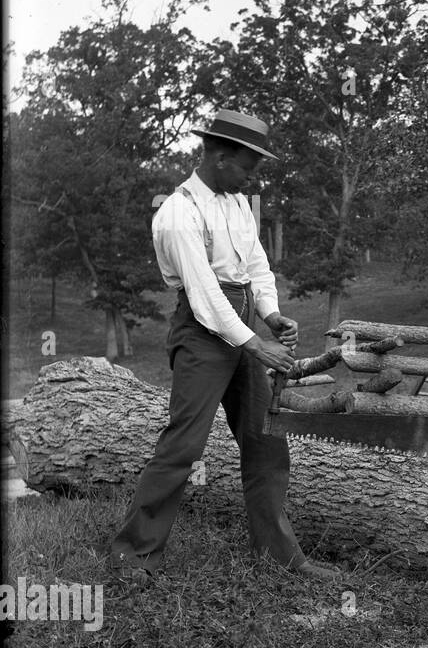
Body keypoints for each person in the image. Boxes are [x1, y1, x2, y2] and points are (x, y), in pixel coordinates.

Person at [108, 109, 340, 581]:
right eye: (246, 166)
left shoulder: (236, 202)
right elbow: (204, 295)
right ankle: (133, 555)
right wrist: (258, 345)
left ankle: (279, 556)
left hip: (244, 324)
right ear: (218, 156)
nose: (251, 177)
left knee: (265, 440)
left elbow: (256, 266)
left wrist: (271, 313)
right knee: (184, 444)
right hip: (201, 331)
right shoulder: (178, 212)